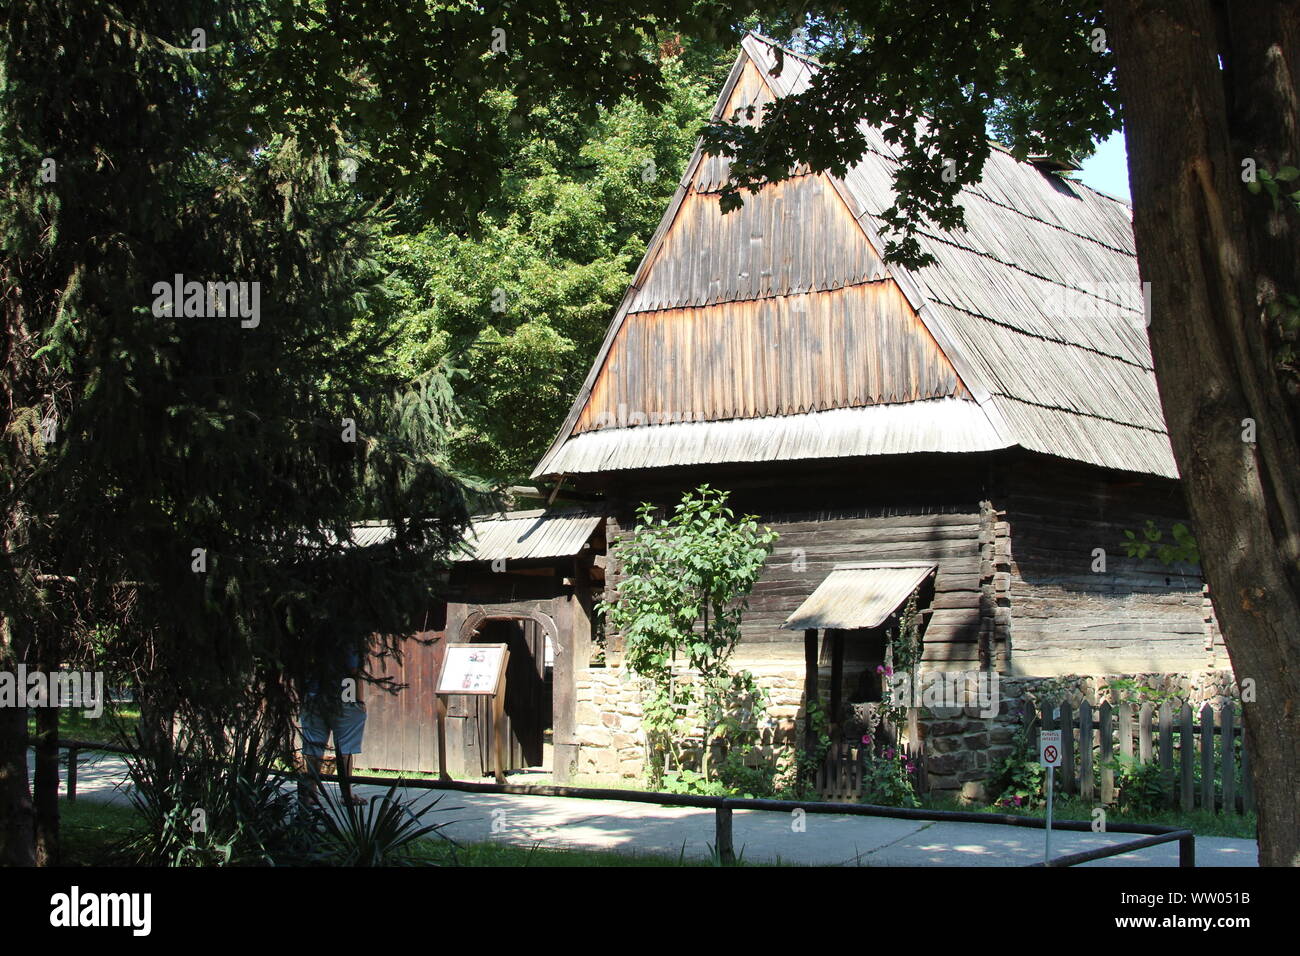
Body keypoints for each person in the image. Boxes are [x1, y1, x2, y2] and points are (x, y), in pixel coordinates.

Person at [299, 646, 367, 807]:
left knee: (313, 746)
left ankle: (310, 793)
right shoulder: (346, 635)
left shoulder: (307, 636)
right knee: (346, 748)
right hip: (345, 694)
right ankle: (346, 793)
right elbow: (353, 669)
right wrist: (359, 700)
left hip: (312, 694)